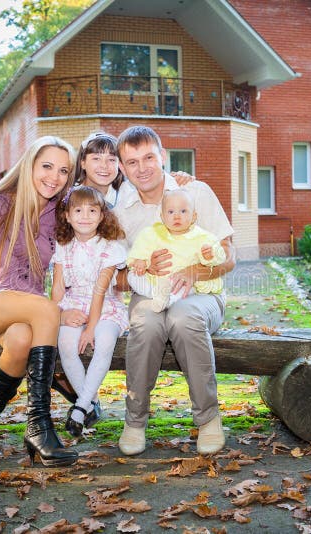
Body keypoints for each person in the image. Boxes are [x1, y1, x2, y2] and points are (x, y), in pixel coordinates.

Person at [113, 125, 236, 456]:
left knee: (182, 317)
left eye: (149, 157)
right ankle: (135, 422)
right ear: (122, 169)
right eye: (133, 162)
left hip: (202, 294)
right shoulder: (122, 214)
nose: (143, 168)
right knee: (147, 323)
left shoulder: (195, 192)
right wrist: (144, 268)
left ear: (162, 156)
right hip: (151, 293)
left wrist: (196, 270)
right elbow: (116, 277)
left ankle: (208, 420)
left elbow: (230, 257)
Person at [0, 135, 78, 467]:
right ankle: (39, 425)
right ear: (29, 165)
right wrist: (45, 311)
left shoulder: (59, 210)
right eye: (47, 166)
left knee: (23, 339)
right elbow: (4, 275)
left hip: (27, 313)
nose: (54, 177)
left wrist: (170, 181)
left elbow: (96, 204)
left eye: (63, 171)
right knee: (45, 309)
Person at [51, 186, 128, 437]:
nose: (85, 216)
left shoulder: (110, 247)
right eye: (78, 210)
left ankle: (80, 407)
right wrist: (56, 315)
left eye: (92, 210)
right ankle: (91, 403)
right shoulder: (64, 245)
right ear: (67, 216)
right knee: (66, 343)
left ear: (102, 215)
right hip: (74, 303)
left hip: (105, 305)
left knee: (104, 342)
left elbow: (99, 290)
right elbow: (58, 287)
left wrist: (91, 329)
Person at [127, 189, 227, 312]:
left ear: (194, 216)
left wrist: (209, 255)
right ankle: (158, 296)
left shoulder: (201, 237)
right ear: (162, 217)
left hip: (182, 282)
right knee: (132, 276)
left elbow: (219, 254)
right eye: (170, 212)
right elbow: (141, 248)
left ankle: (168, 300)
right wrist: (141, 261)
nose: (177, 216)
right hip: (156, 281)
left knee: (186, 289)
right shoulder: (152, 233)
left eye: (183, 211)